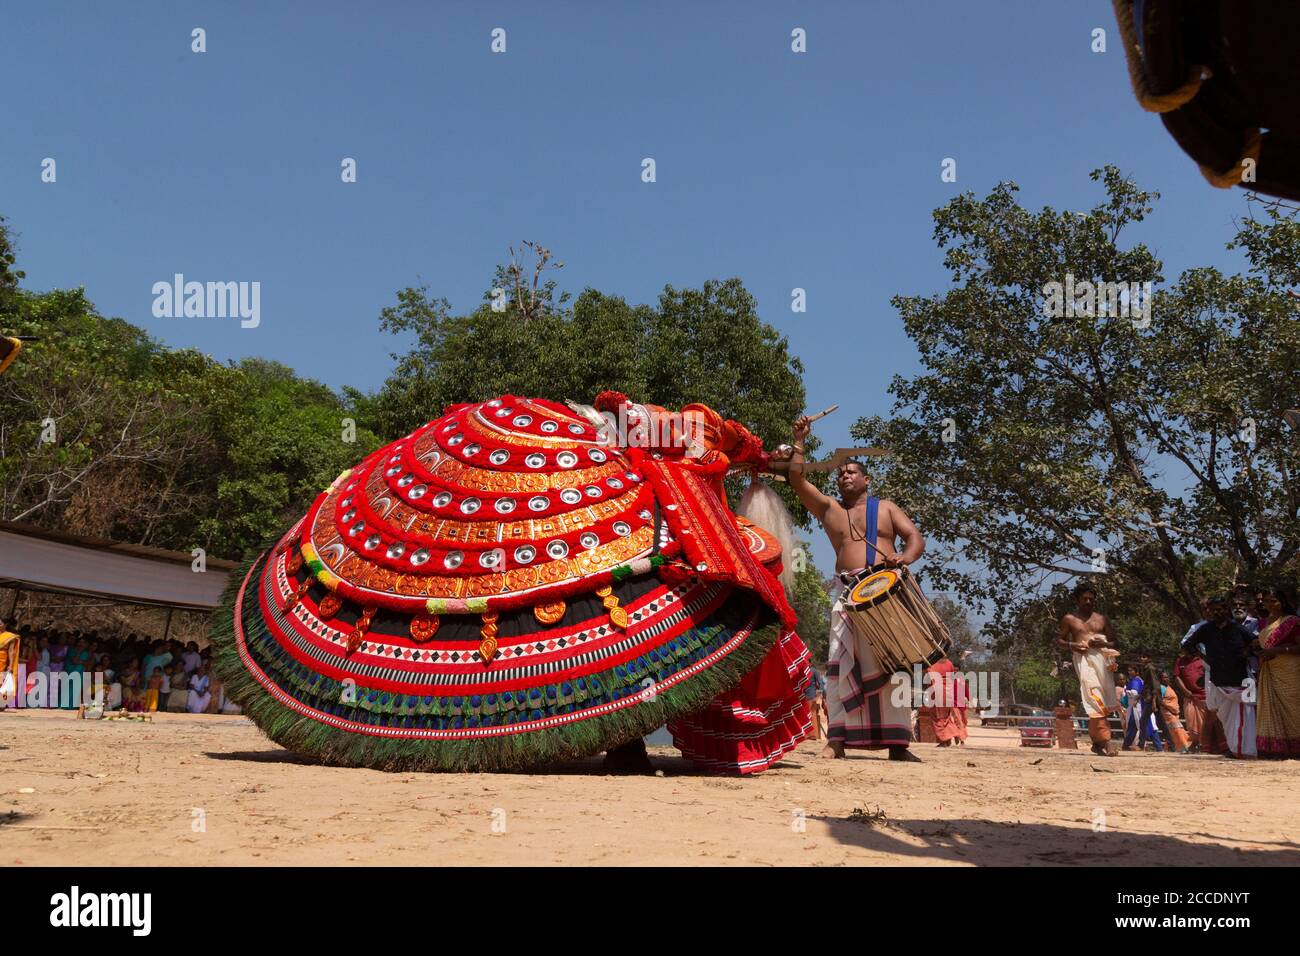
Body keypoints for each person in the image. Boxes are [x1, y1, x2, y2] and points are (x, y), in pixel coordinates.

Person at [790, 413, 926, 762]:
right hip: (847, 596)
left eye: (851, 472)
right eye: (840, 473)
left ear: (866, 479)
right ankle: (837, 741)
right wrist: (800, 439)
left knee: (894, 666)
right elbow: (796, 479)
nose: (844, 476)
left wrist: (903, 557)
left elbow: (914, 538)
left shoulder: (887, 509)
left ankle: (898, 744)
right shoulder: (830, 510)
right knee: (839, 662)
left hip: (886, 593)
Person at [1189, 596, 1256, 758]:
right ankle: (1234, 749)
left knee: (1244, 717)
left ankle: (1245, 751)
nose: (1217, 612)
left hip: (1241, 680)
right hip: (1218, 681)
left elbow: (1255, 642)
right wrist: (1204, 658)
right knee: (1224, 718)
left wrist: (1246, 653)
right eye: (1213, 610)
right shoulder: (1206, 630)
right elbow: (1187, 645)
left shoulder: (1237, 629)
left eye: (1220, 609)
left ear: (1226, 610)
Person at [1057, 584, 1120, 756]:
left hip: (1102, 661)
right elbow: (1059, 641)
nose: (1088, 601)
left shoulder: (1102, 619)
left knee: (1103, 701)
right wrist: (1073, 645)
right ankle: (1106, 741)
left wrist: (1104, 643)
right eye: (1084, 598)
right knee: (1094, 695)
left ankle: (1097, 742)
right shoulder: (1069, 619)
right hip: (1083, 660)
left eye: (1091, 599)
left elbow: (1115, 642)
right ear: (1077, 599)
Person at [1253, 586, 1300, 758]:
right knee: (1273, 708)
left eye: (1273, 600)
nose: (1269, 604)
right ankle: (1277, 749)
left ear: (1282, 602)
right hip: (1271, 670)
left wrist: (1276, 651)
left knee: (1294, 709)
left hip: (1289, 671)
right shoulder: (1267, 622)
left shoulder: (1292, 621)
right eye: (1266, 601)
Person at [923, 658, 968, 746]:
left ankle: (945, 739)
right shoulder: (949, 663)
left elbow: (928, 677)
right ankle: (950, 737)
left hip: (937, 691)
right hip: (948, 693)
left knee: (938, 717)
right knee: (946, 717)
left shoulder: (931, 663)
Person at [1157, 671, 1191, 753]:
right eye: (1163, 677)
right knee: (1177, 730)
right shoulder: (1161, 688)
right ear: (1160, 679)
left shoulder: (1169, 687)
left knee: (1173, 731)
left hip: (1174, 712)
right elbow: (1160, 701)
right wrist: (1171, 709)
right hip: (1168, 712)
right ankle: (1185, 746)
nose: (1166, 679)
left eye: (1167, 677)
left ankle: (1171, 748)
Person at [1122, 665, 1145, 751]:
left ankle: (1158, 746)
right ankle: (1126, 745)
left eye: (1131, 670)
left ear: (1137, 672)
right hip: (1134, 705)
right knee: (1134, 726)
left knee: (1136, 725)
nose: (1129, 672)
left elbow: (1135, 693)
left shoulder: (1136, 681)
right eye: (1129, 670)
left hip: (1135, 706)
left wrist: (1134, 700)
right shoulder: (1137, 681)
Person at [0, 619, 19, 711]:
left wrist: (10, 665)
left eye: (0, 624)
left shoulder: (9, 637)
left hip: (3, 661)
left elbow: (11, 651)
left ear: (5, 625)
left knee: (2, 683)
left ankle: (2, 704)